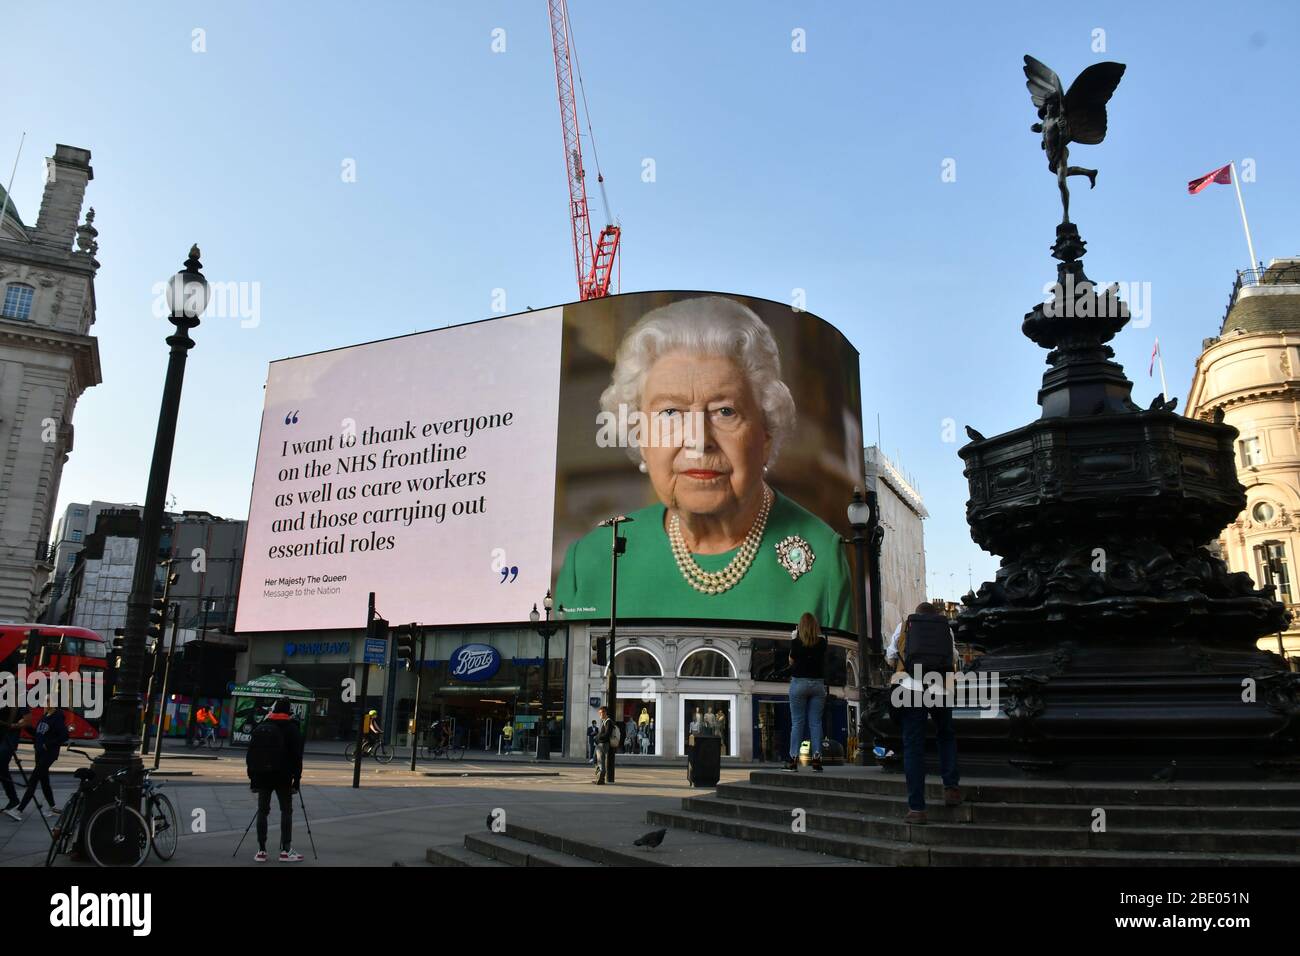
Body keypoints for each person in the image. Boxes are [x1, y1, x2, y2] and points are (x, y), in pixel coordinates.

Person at [555, 297, 854, 631]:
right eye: (670, 412)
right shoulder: (592, 559)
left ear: (766, 433)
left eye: (725, 411)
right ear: (640, 435)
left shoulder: (822, 558)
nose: (698, 439)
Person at [893, 602, 961, 824]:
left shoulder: (904, 626)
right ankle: (951, 788)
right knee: (946, 735)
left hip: (912, 687)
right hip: (940, 685)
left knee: (913, 745)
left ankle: (917, 809)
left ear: (917, 614)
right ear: (936, 615)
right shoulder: (946, 629)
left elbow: (891, 655)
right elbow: (954, 657)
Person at [246, 697, 305, 862]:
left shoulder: (262, 726)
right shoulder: (292, 728)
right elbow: (297, 757)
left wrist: (253, 780)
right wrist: (297, 780)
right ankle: (286, 850)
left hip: (263, 776)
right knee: (286, 811)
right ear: (288, 711)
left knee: (262, 811)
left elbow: (251, 755)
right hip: (283, 777)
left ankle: (261, 850)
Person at [7, 707, 69, 820]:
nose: (46, 704)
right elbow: (38, 733)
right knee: (44, 780)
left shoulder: (57, 718)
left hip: (49, 754)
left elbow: (65, 736)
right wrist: (26, 727)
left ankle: (19, 810)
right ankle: (53, 807)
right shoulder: (45, 716)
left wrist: (48, 744)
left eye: (49, 701)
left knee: (34, 779)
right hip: (40, 752)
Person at [784, 612, 828, 773]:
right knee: (815, 722)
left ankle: (793, 759)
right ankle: (817, 758)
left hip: (799, 683)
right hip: (817, 684)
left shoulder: (796, 642)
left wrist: (793, 639)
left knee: (797, 723)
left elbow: (791, 661)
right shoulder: (822, 642)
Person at [1, 705, 31, 816]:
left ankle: (13, 799)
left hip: (9, 739)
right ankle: (13, 799)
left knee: (1, 766)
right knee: (2, 770)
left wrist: (13, 725)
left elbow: (27, 720)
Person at [592, 706, 615, 785]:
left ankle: (601, 778)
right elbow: (602, 733)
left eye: (601, 713)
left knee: (600, 761)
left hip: (603, 744)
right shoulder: (604, 721)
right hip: (599, 744)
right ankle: (599, 777)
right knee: (595, 760)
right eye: (599, 713)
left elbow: (607, 734)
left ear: (605, 713)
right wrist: (596, 737)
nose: (600, 714)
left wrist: (598, 738)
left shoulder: (608, 722)